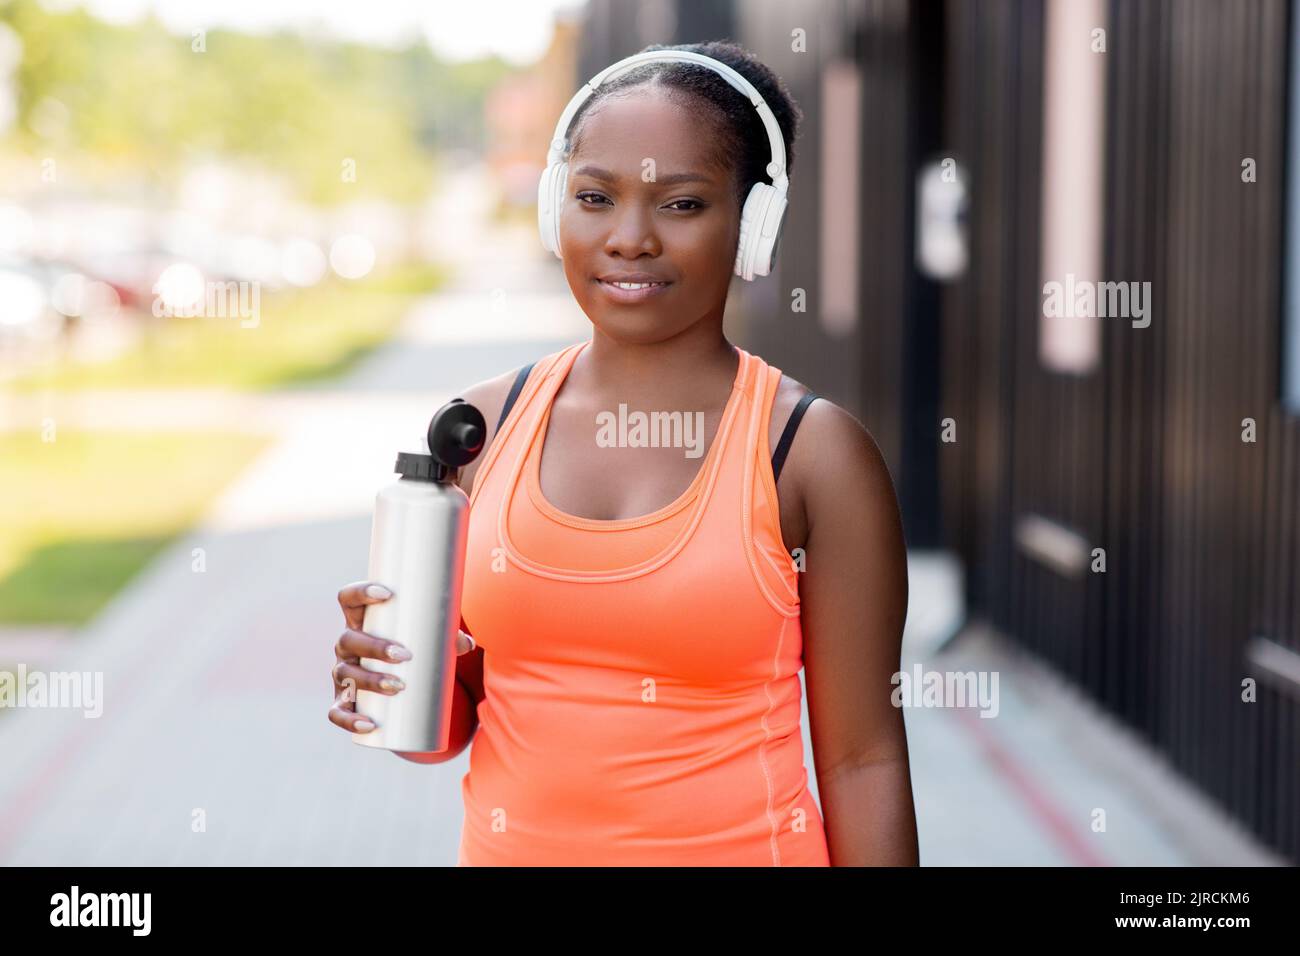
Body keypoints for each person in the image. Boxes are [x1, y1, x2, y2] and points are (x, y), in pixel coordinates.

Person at [329, 39, 916, 866]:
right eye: (595, 197)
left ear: (754, 226)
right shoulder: (480, 427)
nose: (629, 238)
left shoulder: (811, 455)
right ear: (552, 208)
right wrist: (389, 680)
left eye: (681, 204)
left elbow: (863, 761)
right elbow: (450, 732)